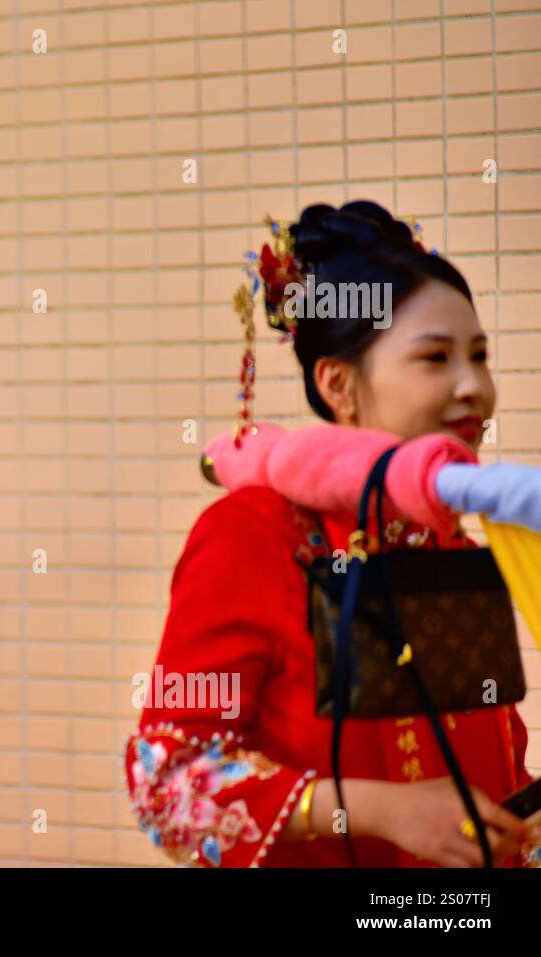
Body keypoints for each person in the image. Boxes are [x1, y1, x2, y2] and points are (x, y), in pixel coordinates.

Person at [125, 200, 539, 867]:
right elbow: (166, 782)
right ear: (339, 384)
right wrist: (375, 807)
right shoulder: (250, 535)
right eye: (436, 358)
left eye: (480, 355)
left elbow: (495, 766)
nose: (475, 387)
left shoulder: (448, 542)